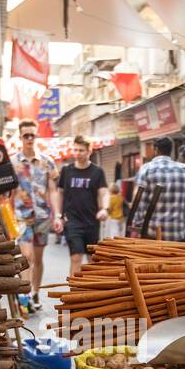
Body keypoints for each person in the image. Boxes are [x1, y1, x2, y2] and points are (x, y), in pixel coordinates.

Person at [130, 137, 185, 241]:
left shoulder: (146, 169)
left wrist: (137, 224)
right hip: (176, 235)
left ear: (156, 150)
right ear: (171, 151)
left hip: (151, 234)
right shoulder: (183, 169)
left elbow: (139, 201)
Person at [12, 119, 57, 305]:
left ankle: (35, 292)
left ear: (36, 136)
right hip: (21, 217)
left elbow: (53, 190)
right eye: (26, 135)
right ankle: (25, 296)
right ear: (20, 137)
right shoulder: (12, 162)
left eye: (32, 135)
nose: (29, 138)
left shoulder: (47, 162)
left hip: (43, 216)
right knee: (26, 256)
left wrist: (58, 215)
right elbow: (8, 192)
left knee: (38, 259)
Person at [51, 136, 109, 277]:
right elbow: (59, 194)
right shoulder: (66, 171)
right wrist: (58, 216)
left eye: (81, 150)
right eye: (75, 150)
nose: (77, 153)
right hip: (72, 221)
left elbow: (104, 193)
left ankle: (92, 293)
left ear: (89, 151)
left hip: (91, 222)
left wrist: (104, 209)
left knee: (92, 260)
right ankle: (73, 294)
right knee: (76, 257)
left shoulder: (97, 172)